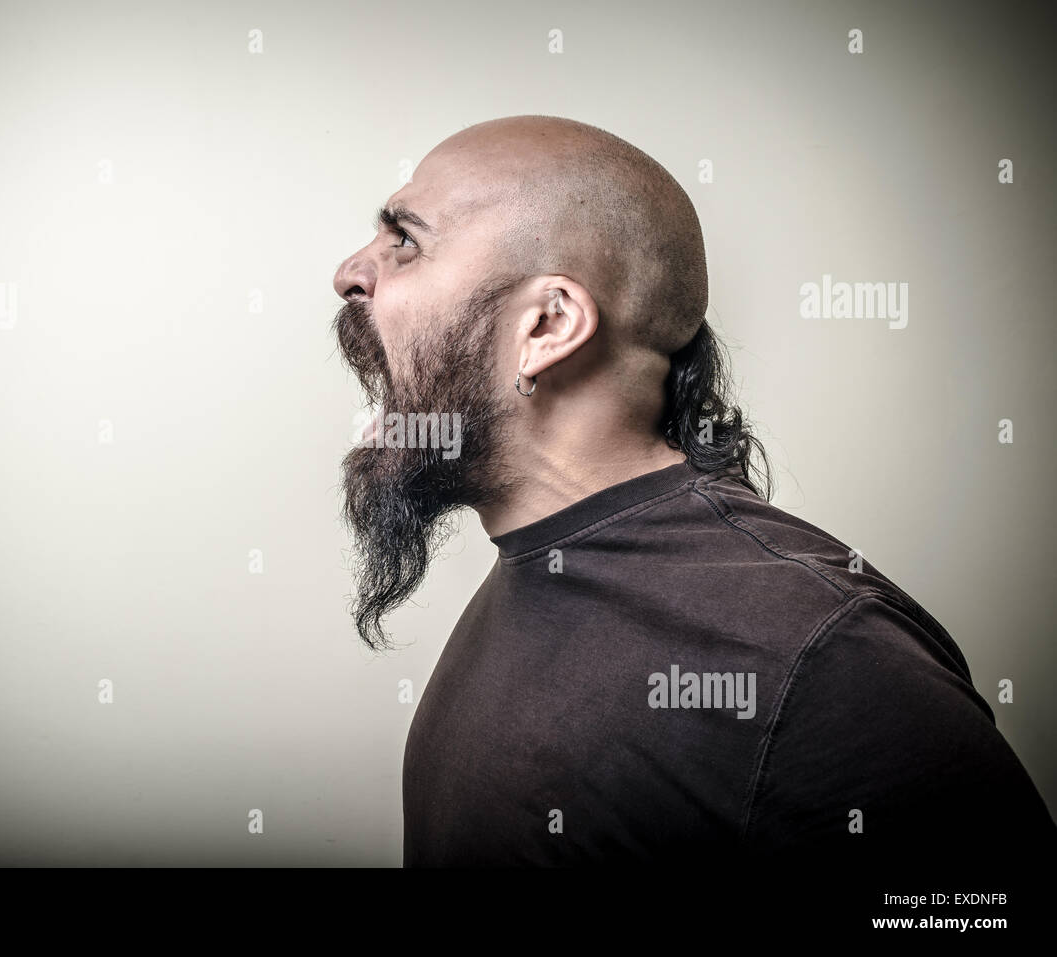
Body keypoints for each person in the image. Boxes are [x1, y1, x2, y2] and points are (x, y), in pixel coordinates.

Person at [330, 115, 1055, 872]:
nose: (351, 271)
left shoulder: (820, 658)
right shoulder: (534, 565)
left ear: (546, 325)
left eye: (404, 241)